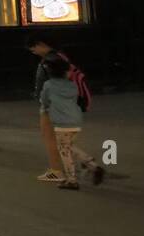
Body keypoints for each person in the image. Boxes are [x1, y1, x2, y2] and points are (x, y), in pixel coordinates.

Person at [27, 35, 88, 182]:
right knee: (65, 142)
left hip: (52, 107)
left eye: (33, 48)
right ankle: (85, 163)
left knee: (52, 139)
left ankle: (59, 171)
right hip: (68, 110)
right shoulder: (61, 57)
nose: (33, 51)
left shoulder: (50, 61)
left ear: (41, 44)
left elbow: (47, 89)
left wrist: (44, 101)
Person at [39, 56, 104, 191]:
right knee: (68, 146)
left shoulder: (48, 85)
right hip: (76, 120)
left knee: (64, 151)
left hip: (62, 122)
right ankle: (91, 164)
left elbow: (44, 101)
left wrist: (47, 109)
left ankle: (72, 180)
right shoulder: (72, 85)